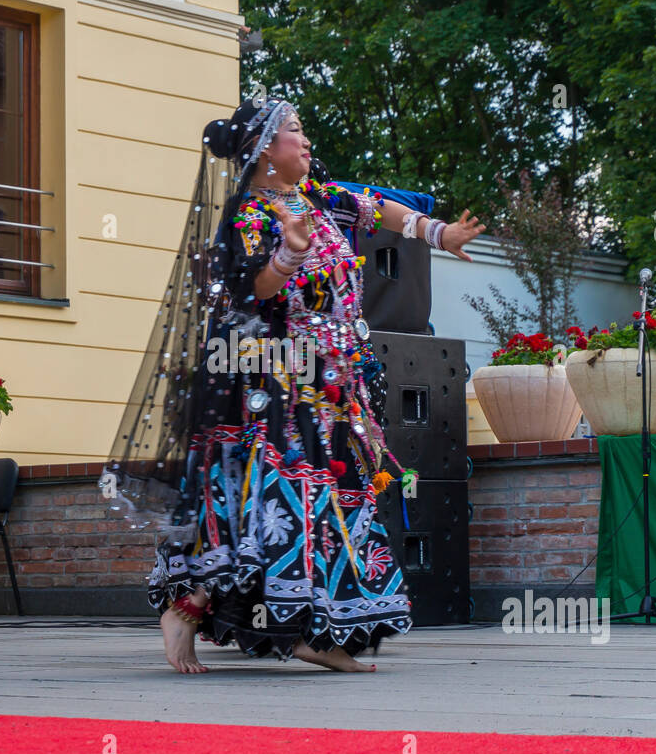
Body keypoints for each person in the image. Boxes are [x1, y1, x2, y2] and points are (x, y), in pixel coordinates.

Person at [101, 96, 484, 673]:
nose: (306, 142)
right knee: (274, 500)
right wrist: (287, 254)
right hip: (275, 383)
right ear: (263, 150)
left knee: (330, 501)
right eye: (295, 132)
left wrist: (438, 233)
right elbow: (250, 290)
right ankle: (189, 606)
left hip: (334, 379)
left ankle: (306, 629)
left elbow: (379, 211)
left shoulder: (320, 198)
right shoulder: (249, 215)